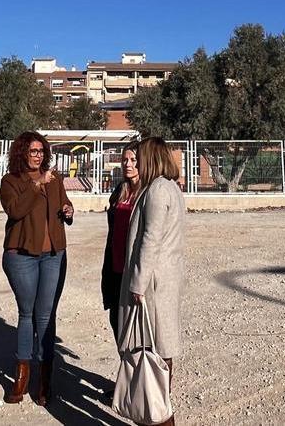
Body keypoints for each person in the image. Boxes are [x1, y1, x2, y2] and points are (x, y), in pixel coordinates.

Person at [0, 131, 74, 406]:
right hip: (22, 256)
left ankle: (45, 379)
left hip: (53, 255)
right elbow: (15, 210)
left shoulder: (55, 180)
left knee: (46, 315)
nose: (38, 156)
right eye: (33, 151)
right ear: (22, 152)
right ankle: (21, 376)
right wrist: (36, 185)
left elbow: (64, 204)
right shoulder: (10, 181)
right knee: (26, 313)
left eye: (41, 151)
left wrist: (68, 210)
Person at [118, 137, 186, 426]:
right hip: (164, 278)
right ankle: (157, 409)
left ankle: (158, 414)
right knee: (160, 349)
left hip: (154, 283)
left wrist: (137, 283)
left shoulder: (157, 190)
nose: (137, 162)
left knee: (153, 351)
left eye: (141, 157)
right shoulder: (169, 187)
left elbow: (151, 239)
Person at [102, 142, 141, 343]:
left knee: (136, 326)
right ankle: (124, 361)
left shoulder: (147, 193)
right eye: (125, 160)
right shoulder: (120, 190)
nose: (128, 164)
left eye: (133, 160)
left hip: (133, 268)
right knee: (117, 321)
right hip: (115, 266)